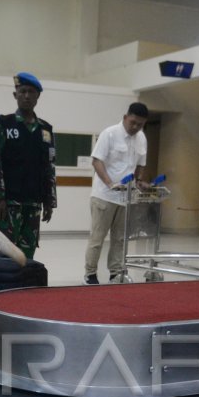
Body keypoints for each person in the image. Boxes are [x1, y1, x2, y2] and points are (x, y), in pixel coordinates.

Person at [0, 72, 56, 259]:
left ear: (37, 96)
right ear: (15, 95)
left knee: (28, 255)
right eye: (22, 91)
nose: (26, 96)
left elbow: (49, 166)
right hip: (8, 203)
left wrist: (49, 200)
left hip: (33, 204)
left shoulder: (45, 130)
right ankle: (1, 288)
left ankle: (25, 288)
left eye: (31, 92)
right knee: (2, 252)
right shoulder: (3, 124)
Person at [83, 102, 149, 285]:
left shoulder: (141, 138)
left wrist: (139, 180)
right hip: (104, 196)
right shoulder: (109, 133)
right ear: (125, 117)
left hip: (125, 198)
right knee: (97, 238)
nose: (135, 127)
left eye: (140, 124)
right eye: (133, 122)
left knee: (120, 238)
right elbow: (97, 161)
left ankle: (116, 272)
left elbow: (140, 164)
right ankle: (90, 274)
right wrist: (110, 183)